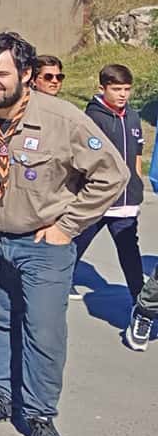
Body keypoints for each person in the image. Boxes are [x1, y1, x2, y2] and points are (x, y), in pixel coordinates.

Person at [0, 33, 127, 436]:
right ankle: (2, 395)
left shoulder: (62, 120)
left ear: (27, 74)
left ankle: (38, 412)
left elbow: (113, 175)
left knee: (43, 332)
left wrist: (67, 226)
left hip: (43, 245)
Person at [72, 64, 145, 303]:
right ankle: (61, 282)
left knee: (129, 251)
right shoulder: (93, 117)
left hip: (126, 200)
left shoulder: (133, 116)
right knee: (77, 242)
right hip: (99, 198)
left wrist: (137, 184)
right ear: (102, 88)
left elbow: (137, 153)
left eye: (127, 89)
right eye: (116, 89)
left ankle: (141, 301)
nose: (123, 94)